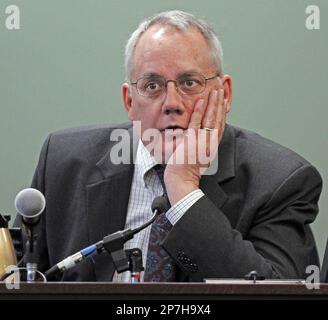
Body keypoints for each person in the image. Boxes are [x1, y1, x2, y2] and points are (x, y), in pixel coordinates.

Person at [18, 10, 322, 282]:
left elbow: (277, 291)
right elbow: (19, 278)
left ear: (224, 94)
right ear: (129, 101)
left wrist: (183, 190)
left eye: (189, 83)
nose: (171, 104)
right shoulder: (62, 162)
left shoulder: (281, 181)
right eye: (152, 86)